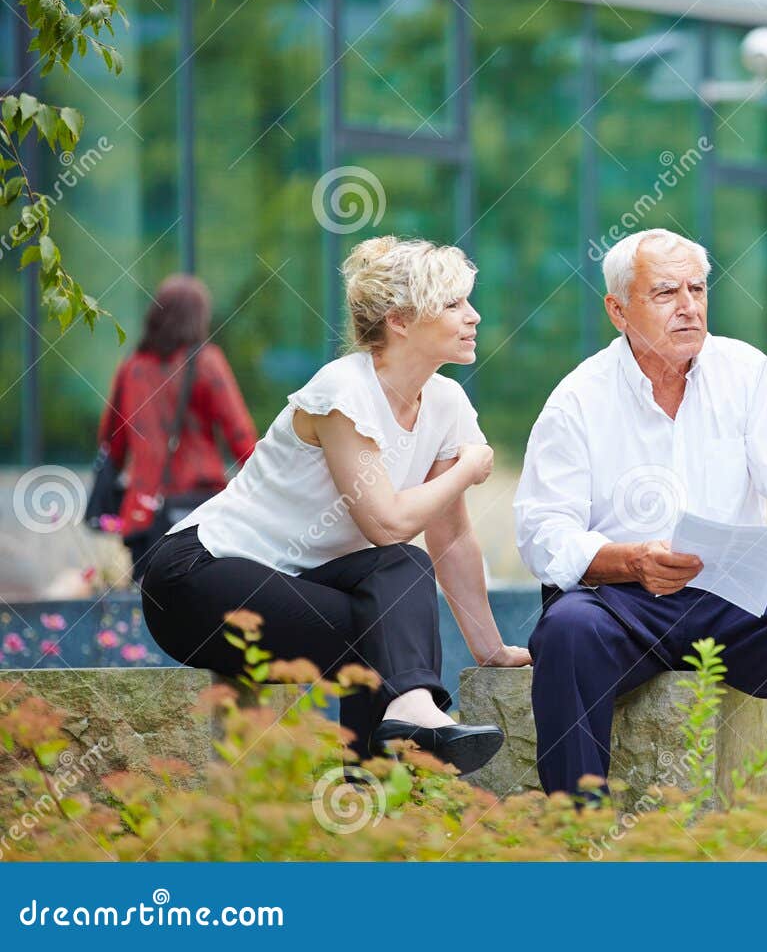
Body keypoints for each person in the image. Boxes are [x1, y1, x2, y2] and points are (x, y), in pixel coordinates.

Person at [138, 237, 526, 774]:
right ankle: (380, 776)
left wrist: (490, 649)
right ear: (401, 321)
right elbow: (386, 521)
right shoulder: (342, 390)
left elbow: (450, 536)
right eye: (454, 304)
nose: (473, 316)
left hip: (298, 585)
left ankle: (392, 748)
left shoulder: (446, 401)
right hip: (194, 580)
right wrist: (465, 470)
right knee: (382, 619)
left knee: (406, 569)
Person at [516, 228, 767, 800]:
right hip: (620, 598)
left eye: (698, 288)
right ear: (617, 310)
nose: (689, 307)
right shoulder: (577, 397)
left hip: (733, 593)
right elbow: (542, 534)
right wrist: (628, 560)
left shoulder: (745, 371)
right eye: (665, 293)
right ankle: (576, 831)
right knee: (566, 631)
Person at [95, 275, 257, 583]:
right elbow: (241, 437)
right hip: (200, 511)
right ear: (198, 318)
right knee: (200, 608)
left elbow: (110, 442)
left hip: (144, 513)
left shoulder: (132, 368)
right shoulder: (207, 362)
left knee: (147, 606)